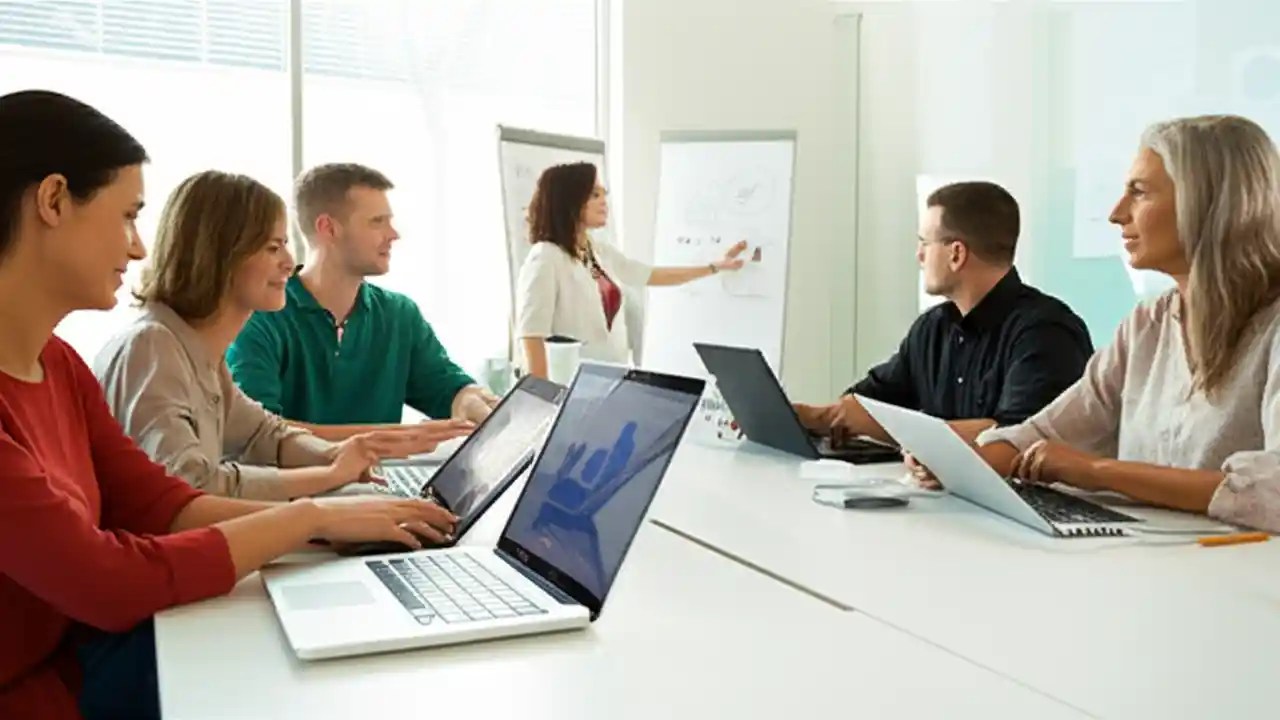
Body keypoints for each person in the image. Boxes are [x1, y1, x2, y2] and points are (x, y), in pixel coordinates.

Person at [0, 90, 456, 720]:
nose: (137, 248)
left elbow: (163, 503)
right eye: (128, 216)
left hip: (78, 659)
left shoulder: (60, 366)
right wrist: (311, 514)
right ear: (52, 201)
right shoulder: (146, 347)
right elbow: (106, 581)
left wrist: (333, 508)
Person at [975, 115, 1280, 533]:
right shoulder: (1146, 325)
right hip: (1149, 566)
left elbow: (1273, 492)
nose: (1117, 214)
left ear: (1206, 202)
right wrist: (959, 466)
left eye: (1138, 192)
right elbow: (1048, 434)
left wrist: (1099, 471)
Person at [94, 170, 462, 500]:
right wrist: (327, 484)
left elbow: (265, 434)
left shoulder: (198, 353)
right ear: (221, 256)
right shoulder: (154, 346)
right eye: (273, 247)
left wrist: (336, 454)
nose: (289, 262)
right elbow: (192, 486)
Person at [794, 181, 1094, 449]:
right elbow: (868, 403)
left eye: (924, 243)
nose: (919, 255)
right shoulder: (933, 328)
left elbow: (1019, 437)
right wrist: (805, 415)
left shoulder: (1046, 332)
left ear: (956, 254)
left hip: (1021, 508)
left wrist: (912, 439)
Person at [226, 163, 493, 445]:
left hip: (375, 485)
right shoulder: (261, 317)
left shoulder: (400, 315)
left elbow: (445, 388)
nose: (393, 234)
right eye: (377, 221)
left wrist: (470, 399)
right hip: (290, 487)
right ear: (328, 228)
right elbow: (256, 434)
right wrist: (391, 438)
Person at [516, 161, 747, 376]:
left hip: (607, 380)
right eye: (595, 194)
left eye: (604, 193)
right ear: (569, 201)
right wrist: (544, 397)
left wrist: (713, 267)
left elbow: (649, 275)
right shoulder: (546, 257)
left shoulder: (597, 251)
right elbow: (531, 334)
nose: (604, 201)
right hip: (568, 386)